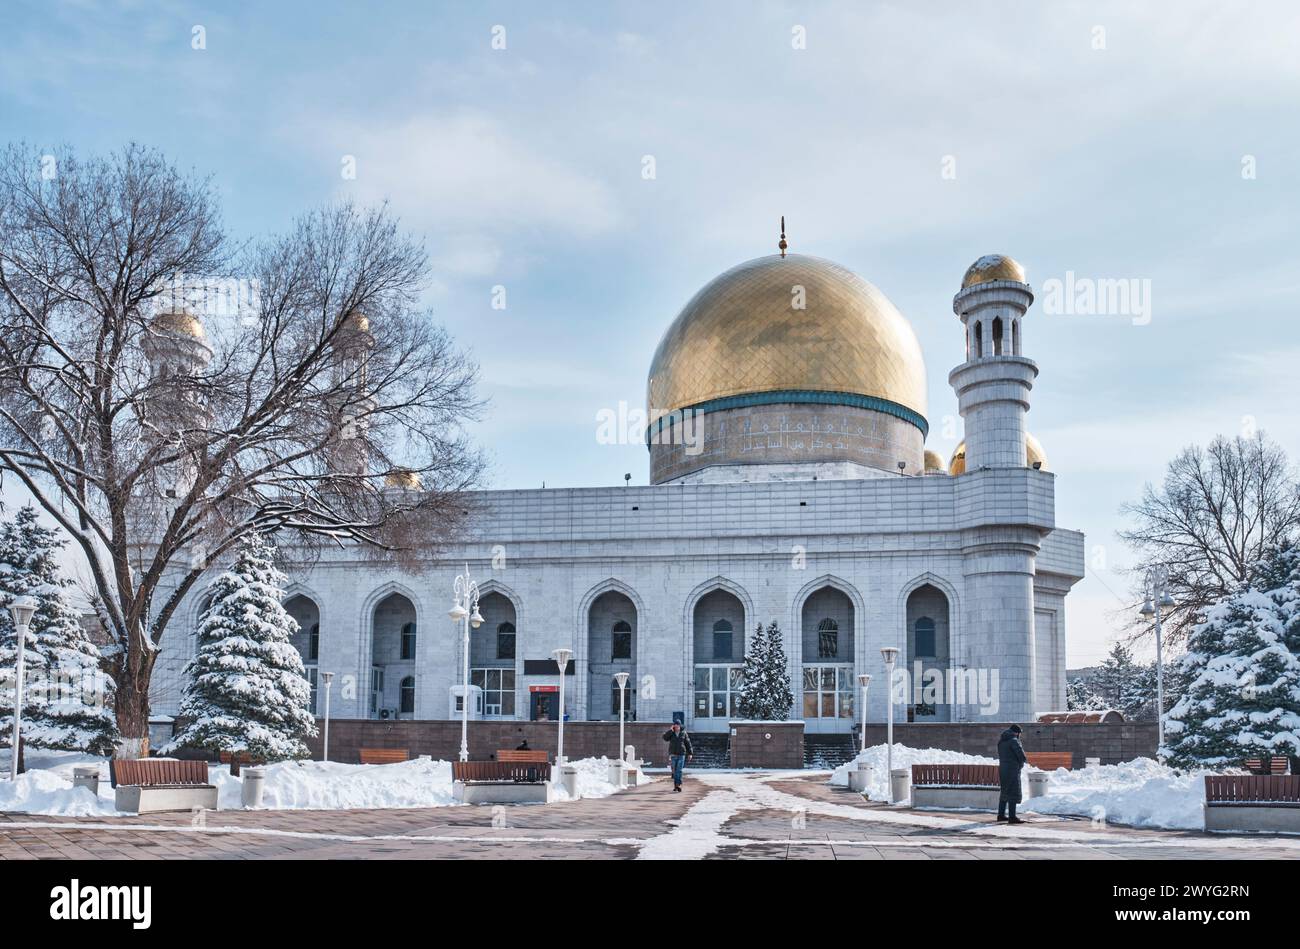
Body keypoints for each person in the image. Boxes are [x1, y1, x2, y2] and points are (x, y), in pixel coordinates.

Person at [996, 724, 1027, 824]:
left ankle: (1000, 815)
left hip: (1003, 769)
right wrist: (1022, 762)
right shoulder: (1014, 740)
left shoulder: (1001, 741)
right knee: (1013, 792)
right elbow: (1021, 756)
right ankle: (1012, 817)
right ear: (1016, 732)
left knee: (1004, 792)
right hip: (1012, 769)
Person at [662, 722, 693, 792]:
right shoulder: (671, 733)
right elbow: (665, 738)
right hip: (673, 755)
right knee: (675, 771)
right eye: (675, 726)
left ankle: (678, 785)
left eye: (678, 726)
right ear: (673, 726)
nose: (676, 727)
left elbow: (688, 743)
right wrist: (670, 731)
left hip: (681, 754)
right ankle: (676, 785)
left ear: (680, 726)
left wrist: (690, 753)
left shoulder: (683, 733)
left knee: (679, 770)